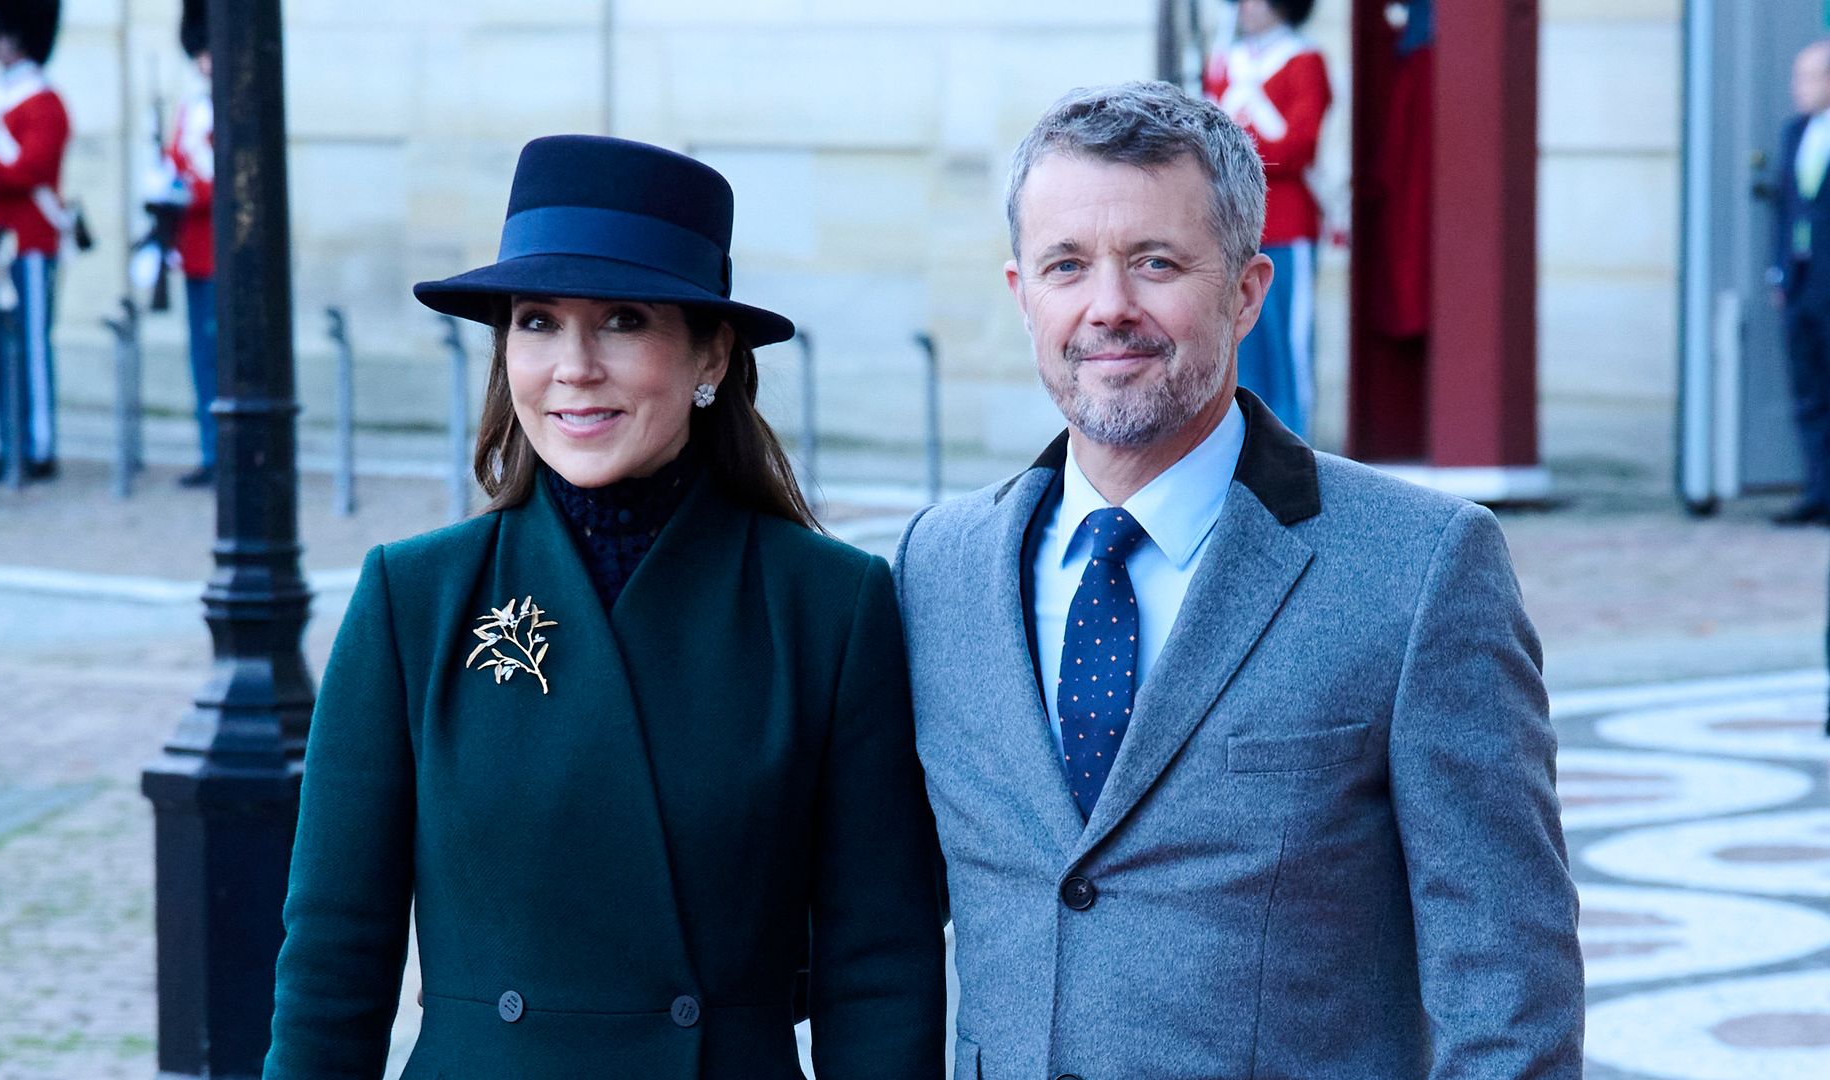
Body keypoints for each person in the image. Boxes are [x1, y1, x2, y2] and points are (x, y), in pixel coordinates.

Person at [896, 82, 1583, 1078]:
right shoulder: (935, 570)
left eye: (1156, 263)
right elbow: (878, 926)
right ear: (1021, 293)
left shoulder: (1420, 570)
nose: (1108, 308)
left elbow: (1511, 994)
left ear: (1248, 289)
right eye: (1067, 266)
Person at [265, 135, 946, 1079]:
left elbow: (879, 970)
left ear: (710, 353)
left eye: (622, 319)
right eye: (537, 322)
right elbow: (333, 964)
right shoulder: (411, 600)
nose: (572, 365)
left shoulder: (827, 608)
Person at [1204, 0, 1331, 438]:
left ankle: (1295, 445)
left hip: (1288, 223)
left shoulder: (1303, 60)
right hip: (1233, 227)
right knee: (1239, 346)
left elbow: (1300, 145)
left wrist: (1244, 146)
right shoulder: (1225, 60)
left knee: (1287, 351)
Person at [0, 0, 71, 482]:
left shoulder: (43, 101)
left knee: (31, 341)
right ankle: (8, 439)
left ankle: (38, 442)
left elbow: (27, 169)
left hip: (30, 236)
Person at [1771, 39, 1830, 526]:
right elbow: (1783, 210)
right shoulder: (1795, 133)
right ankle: (1817, 490)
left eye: (1808, 77)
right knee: (1808, 391)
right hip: (1802, 284)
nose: (1798, 88)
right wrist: (1779, 273)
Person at [167, 0, 215, 488]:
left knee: (222, 355)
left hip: (225, 250)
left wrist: (189, 188)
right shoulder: (191, 107)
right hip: (195, 248)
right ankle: (210, 448)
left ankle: (229, 451)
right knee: (201, 357)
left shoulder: (237, 106)